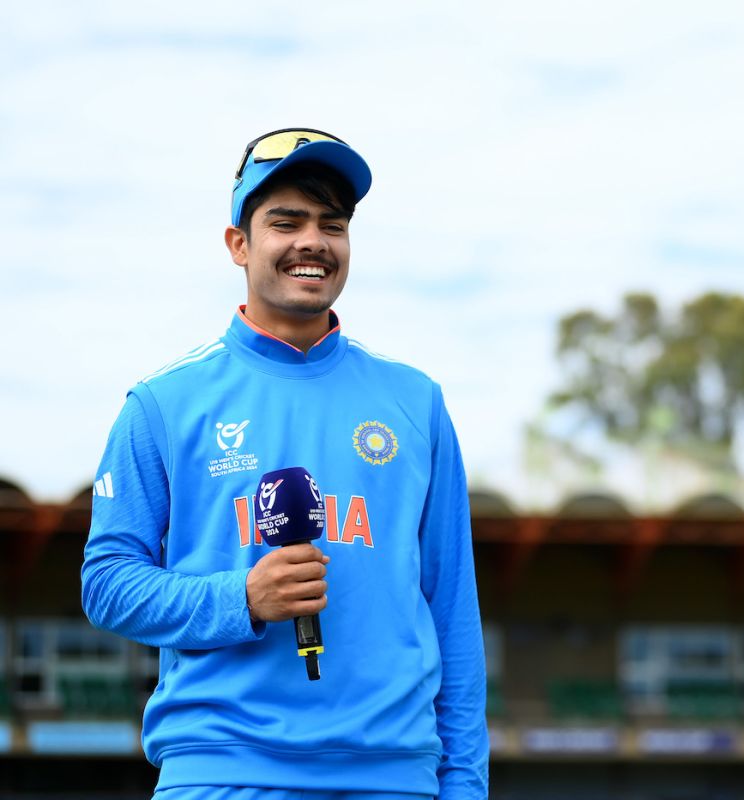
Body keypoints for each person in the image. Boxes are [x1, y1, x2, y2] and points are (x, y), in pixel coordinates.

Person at [82, 128, 488, 799]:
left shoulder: (415, 402)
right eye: (286, 221)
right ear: (238, 244)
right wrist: (240, 597)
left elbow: (453, 612)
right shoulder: (164, 403)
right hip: (221, 773)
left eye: (333, 224)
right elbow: (108, 584)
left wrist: (466, 785)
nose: (314, 242)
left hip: (395, 778)